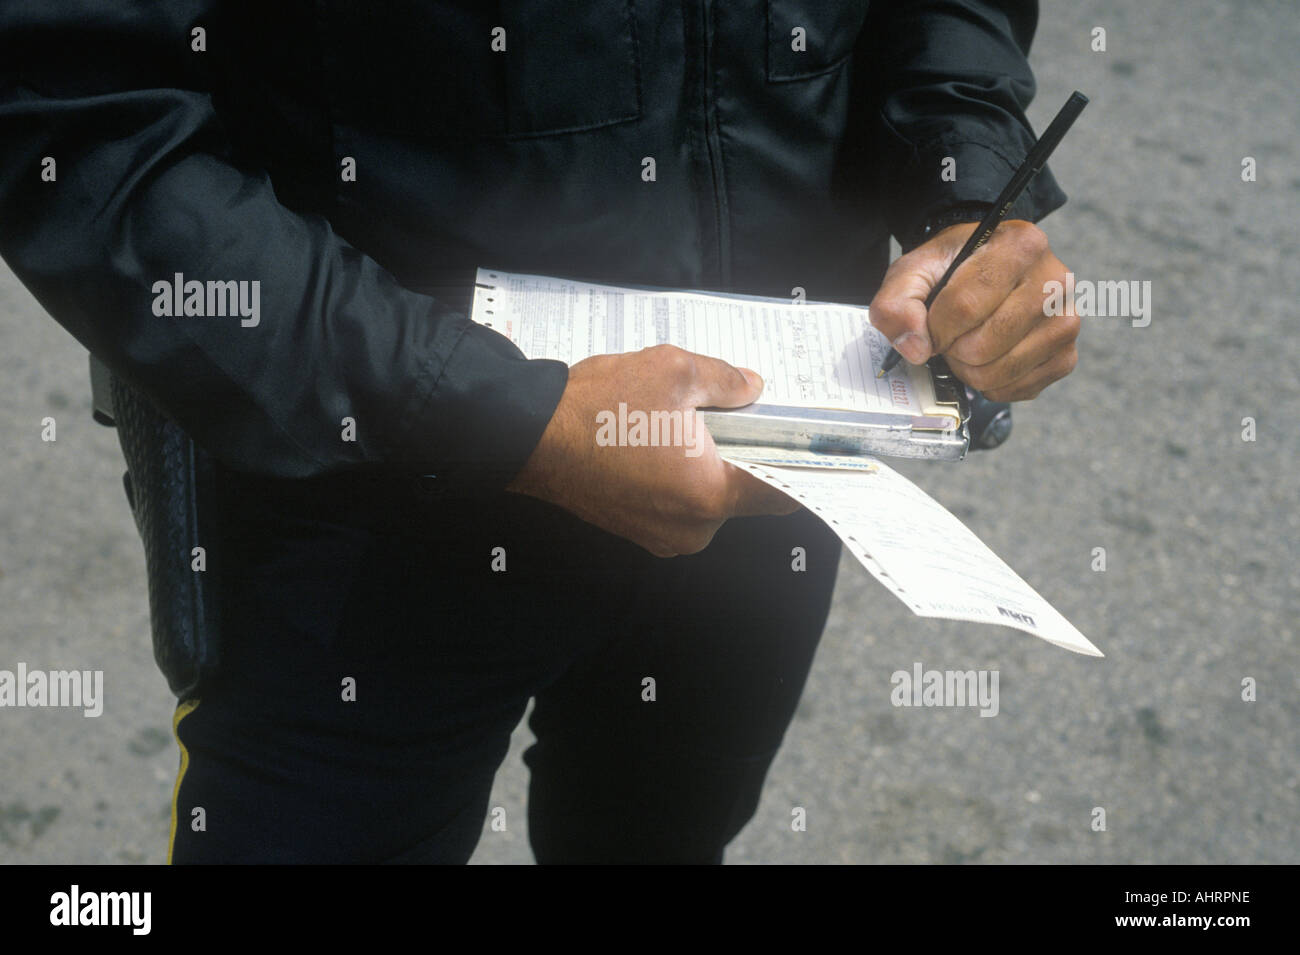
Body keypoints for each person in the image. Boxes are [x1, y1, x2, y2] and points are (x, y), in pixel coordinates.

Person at [0, 1, 1079, 863]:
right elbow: (87, 123)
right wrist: (501, 415)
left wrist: (965, 182)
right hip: (356, 493)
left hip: (768, 462)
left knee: (662, 837)